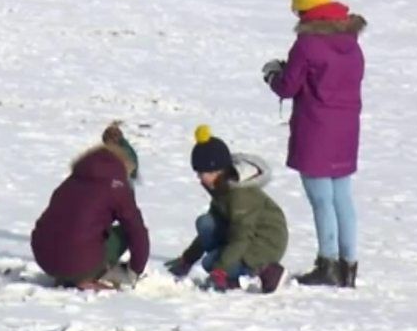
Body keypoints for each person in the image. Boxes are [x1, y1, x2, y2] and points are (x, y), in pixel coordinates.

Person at [262, 0, 367, 288]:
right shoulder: (352, 42)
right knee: (342, 196)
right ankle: (349, 266)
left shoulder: (307, 44)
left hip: (316, 128)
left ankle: (328, 263)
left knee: (321, 198)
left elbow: (288, 87)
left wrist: (272, 74)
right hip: (346, 128)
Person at [164, 126, 288, 293]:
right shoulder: (222, 190)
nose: (199, 177)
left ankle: (266, 269)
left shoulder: (240, 195)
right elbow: (214, 227)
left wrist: (220, 269)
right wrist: (188, 258)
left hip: (264, 243)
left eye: (203, 172)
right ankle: (232, 274)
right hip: (244, 239)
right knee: (206, 223)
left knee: (210, 263)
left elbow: (241, 237)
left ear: (217, 170)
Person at [31, 123, 150, 290]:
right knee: (124, 233)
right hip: (77, 259)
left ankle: (66, 272)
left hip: (44, 257)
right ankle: (83, 276)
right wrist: (136, 270)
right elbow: (137, 231)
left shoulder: (73, 179)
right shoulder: (117, 186)